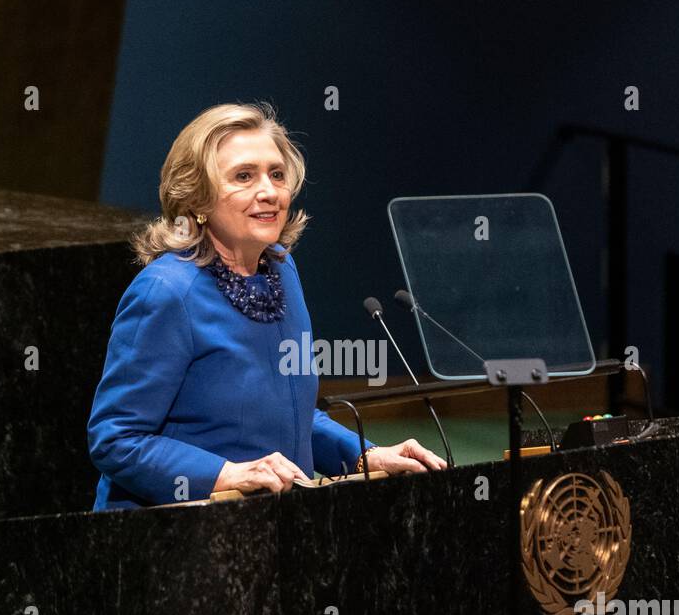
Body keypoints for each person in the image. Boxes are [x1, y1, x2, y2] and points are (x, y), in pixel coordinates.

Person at [88, 102, 446, 510]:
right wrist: (227, 474)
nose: (269, 192)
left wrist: (365, 455)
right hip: (170, 538)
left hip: (270, 527)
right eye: (244, 176)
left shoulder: (281, 270)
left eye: (277, 175)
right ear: (198, 199)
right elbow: (116, 440)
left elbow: (293, 417)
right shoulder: (167, 292)